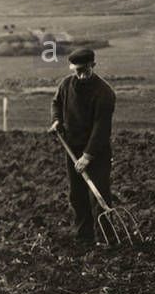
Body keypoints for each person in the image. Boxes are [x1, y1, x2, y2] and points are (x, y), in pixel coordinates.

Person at [49, 47, 116, 246]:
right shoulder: (66, 84)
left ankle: (105, 238)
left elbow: (101, 127)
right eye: (76, 70)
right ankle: (84, 235)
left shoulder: (104, 93)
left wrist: (87, 156)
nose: (80, 75)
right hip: (72, 147)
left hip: (97, 151)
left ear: (92, 66)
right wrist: (56, 120)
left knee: (99, 194)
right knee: (77, 194)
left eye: (84, 70)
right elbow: (56, 103)